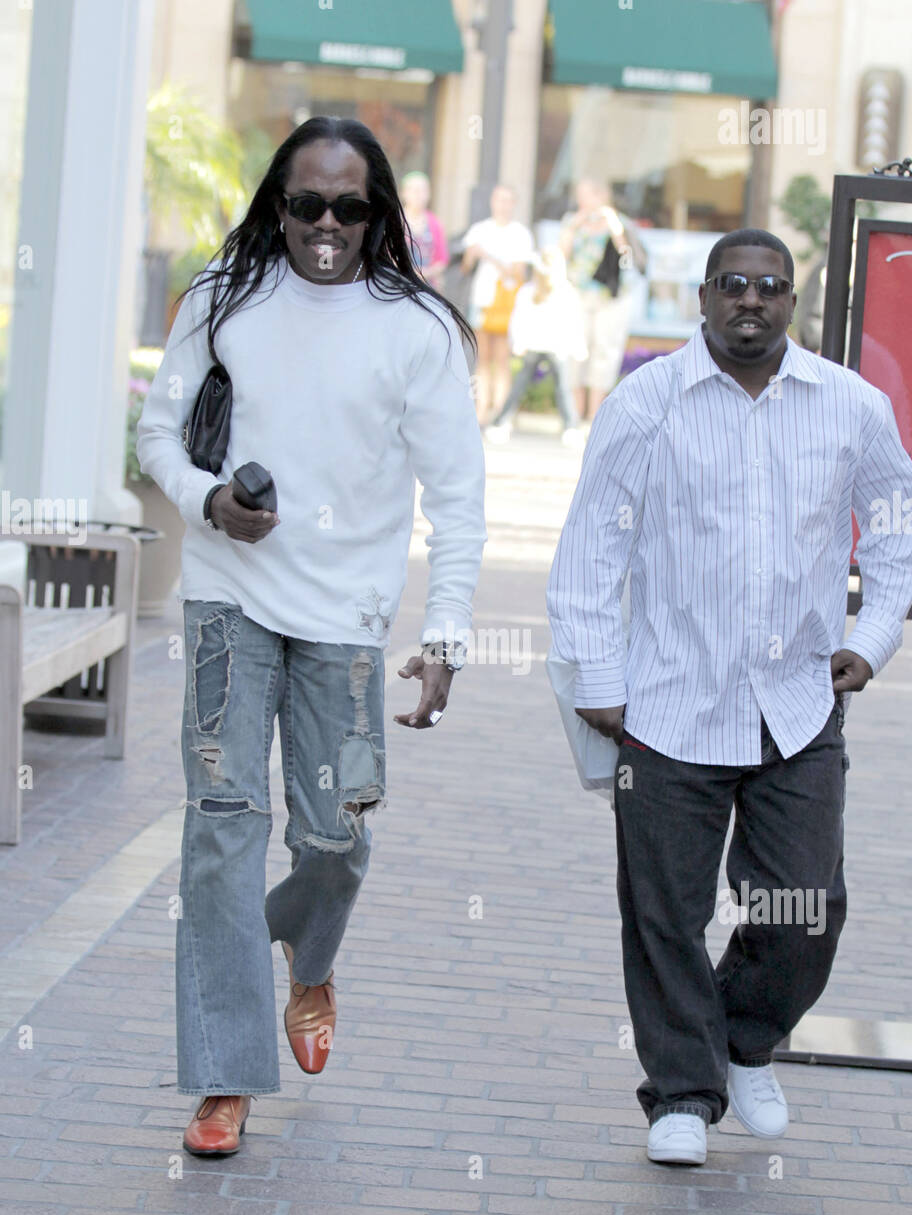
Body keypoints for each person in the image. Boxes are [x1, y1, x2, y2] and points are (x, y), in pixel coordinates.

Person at [137, 116, 486, 1158]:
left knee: (334, 842)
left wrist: (448, 633)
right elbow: (155, 429)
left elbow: (458, 497)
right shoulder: (224, 296)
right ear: (276, 206)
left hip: (347, 620)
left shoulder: (416, 328)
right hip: (227, 602)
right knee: (220, 836)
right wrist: (209, 504)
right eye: (305, 205)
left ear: (377, 211)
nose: (325, 226)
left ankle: (303, 945)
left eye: (348, 206)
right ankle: (226, 1077)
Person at [546, 228, 912, 1167]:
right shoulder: (646, 406)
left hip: (797, 704)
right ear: (704, 297)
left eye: (769, 287)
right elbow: (592, 548)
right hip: (667, 705)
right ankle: (680, 1094)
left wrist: (870, 637)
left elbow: (898, 515)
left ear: (792, 303)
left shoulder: (847, 404)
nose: (749, 301)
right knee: (663, 913)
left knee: (806, 903)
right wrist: (597, 682)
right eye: (732, 285)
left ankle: (744, 1039)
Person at [559, 177, 648, 424]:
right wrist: (572, 228)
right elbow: (560, 258)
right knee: (577, 351)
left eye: (586, 195)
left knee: (605, 351)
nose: (581, 201)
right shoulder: (572, 221)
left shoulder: (621, 223)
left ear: (601, 196)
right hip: (578, 294)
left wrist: (615, 228)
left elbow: (629, 260)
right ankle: (574, 416)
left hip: (611, 297)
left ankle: (594, 415)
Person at [484, 246, 586, 446]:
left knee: (563, 388)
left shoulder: (566, 292)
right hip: (533, 345)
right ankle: (500, 423)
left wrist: (577, 346)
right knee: (520, 386)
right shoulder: (528, 292)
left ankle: (571, 427)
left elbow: (573, 322)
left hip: (557, 347)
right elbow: (519, 320)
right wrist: (518, 342)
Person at [461, 185, 534, 426]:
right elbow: (465, 267)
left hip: (505, 302)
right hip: (482, 300)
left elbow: (519, 272)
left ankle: (501, 412)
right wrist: (473, 254)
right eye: (498, 200)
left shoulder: (520, 234)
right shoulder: (480, 229)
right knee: (483, 358)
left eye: (507, 200)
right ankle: (481, 409)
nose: (502, 205)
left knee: (502, 358)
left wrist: (490, 257)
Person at [400, 170, 449, 292]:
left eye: (423, 190)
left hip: (426, 287)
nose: (419, 195)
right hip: (399, 284)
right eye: (414, 190)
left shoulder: (435, 223)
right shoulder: (394, 221)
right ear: (404, 193)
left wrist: (425, 273)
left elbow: (442, 260)